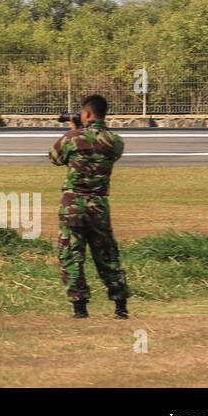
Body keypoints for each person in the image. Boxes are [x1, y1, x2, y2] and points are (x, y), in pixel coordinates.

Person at [48, 93, 130, 319]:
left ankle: (80, 307)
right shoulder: (115, 142)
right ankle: (120, 306)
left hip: (73, 205)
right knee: (107, 254)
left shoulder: (73, 138)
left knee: (71, 254)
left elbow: (54, 157)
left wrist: (73, 131)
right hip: (99, 206)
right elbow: (108, 152)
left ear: (85, 113)